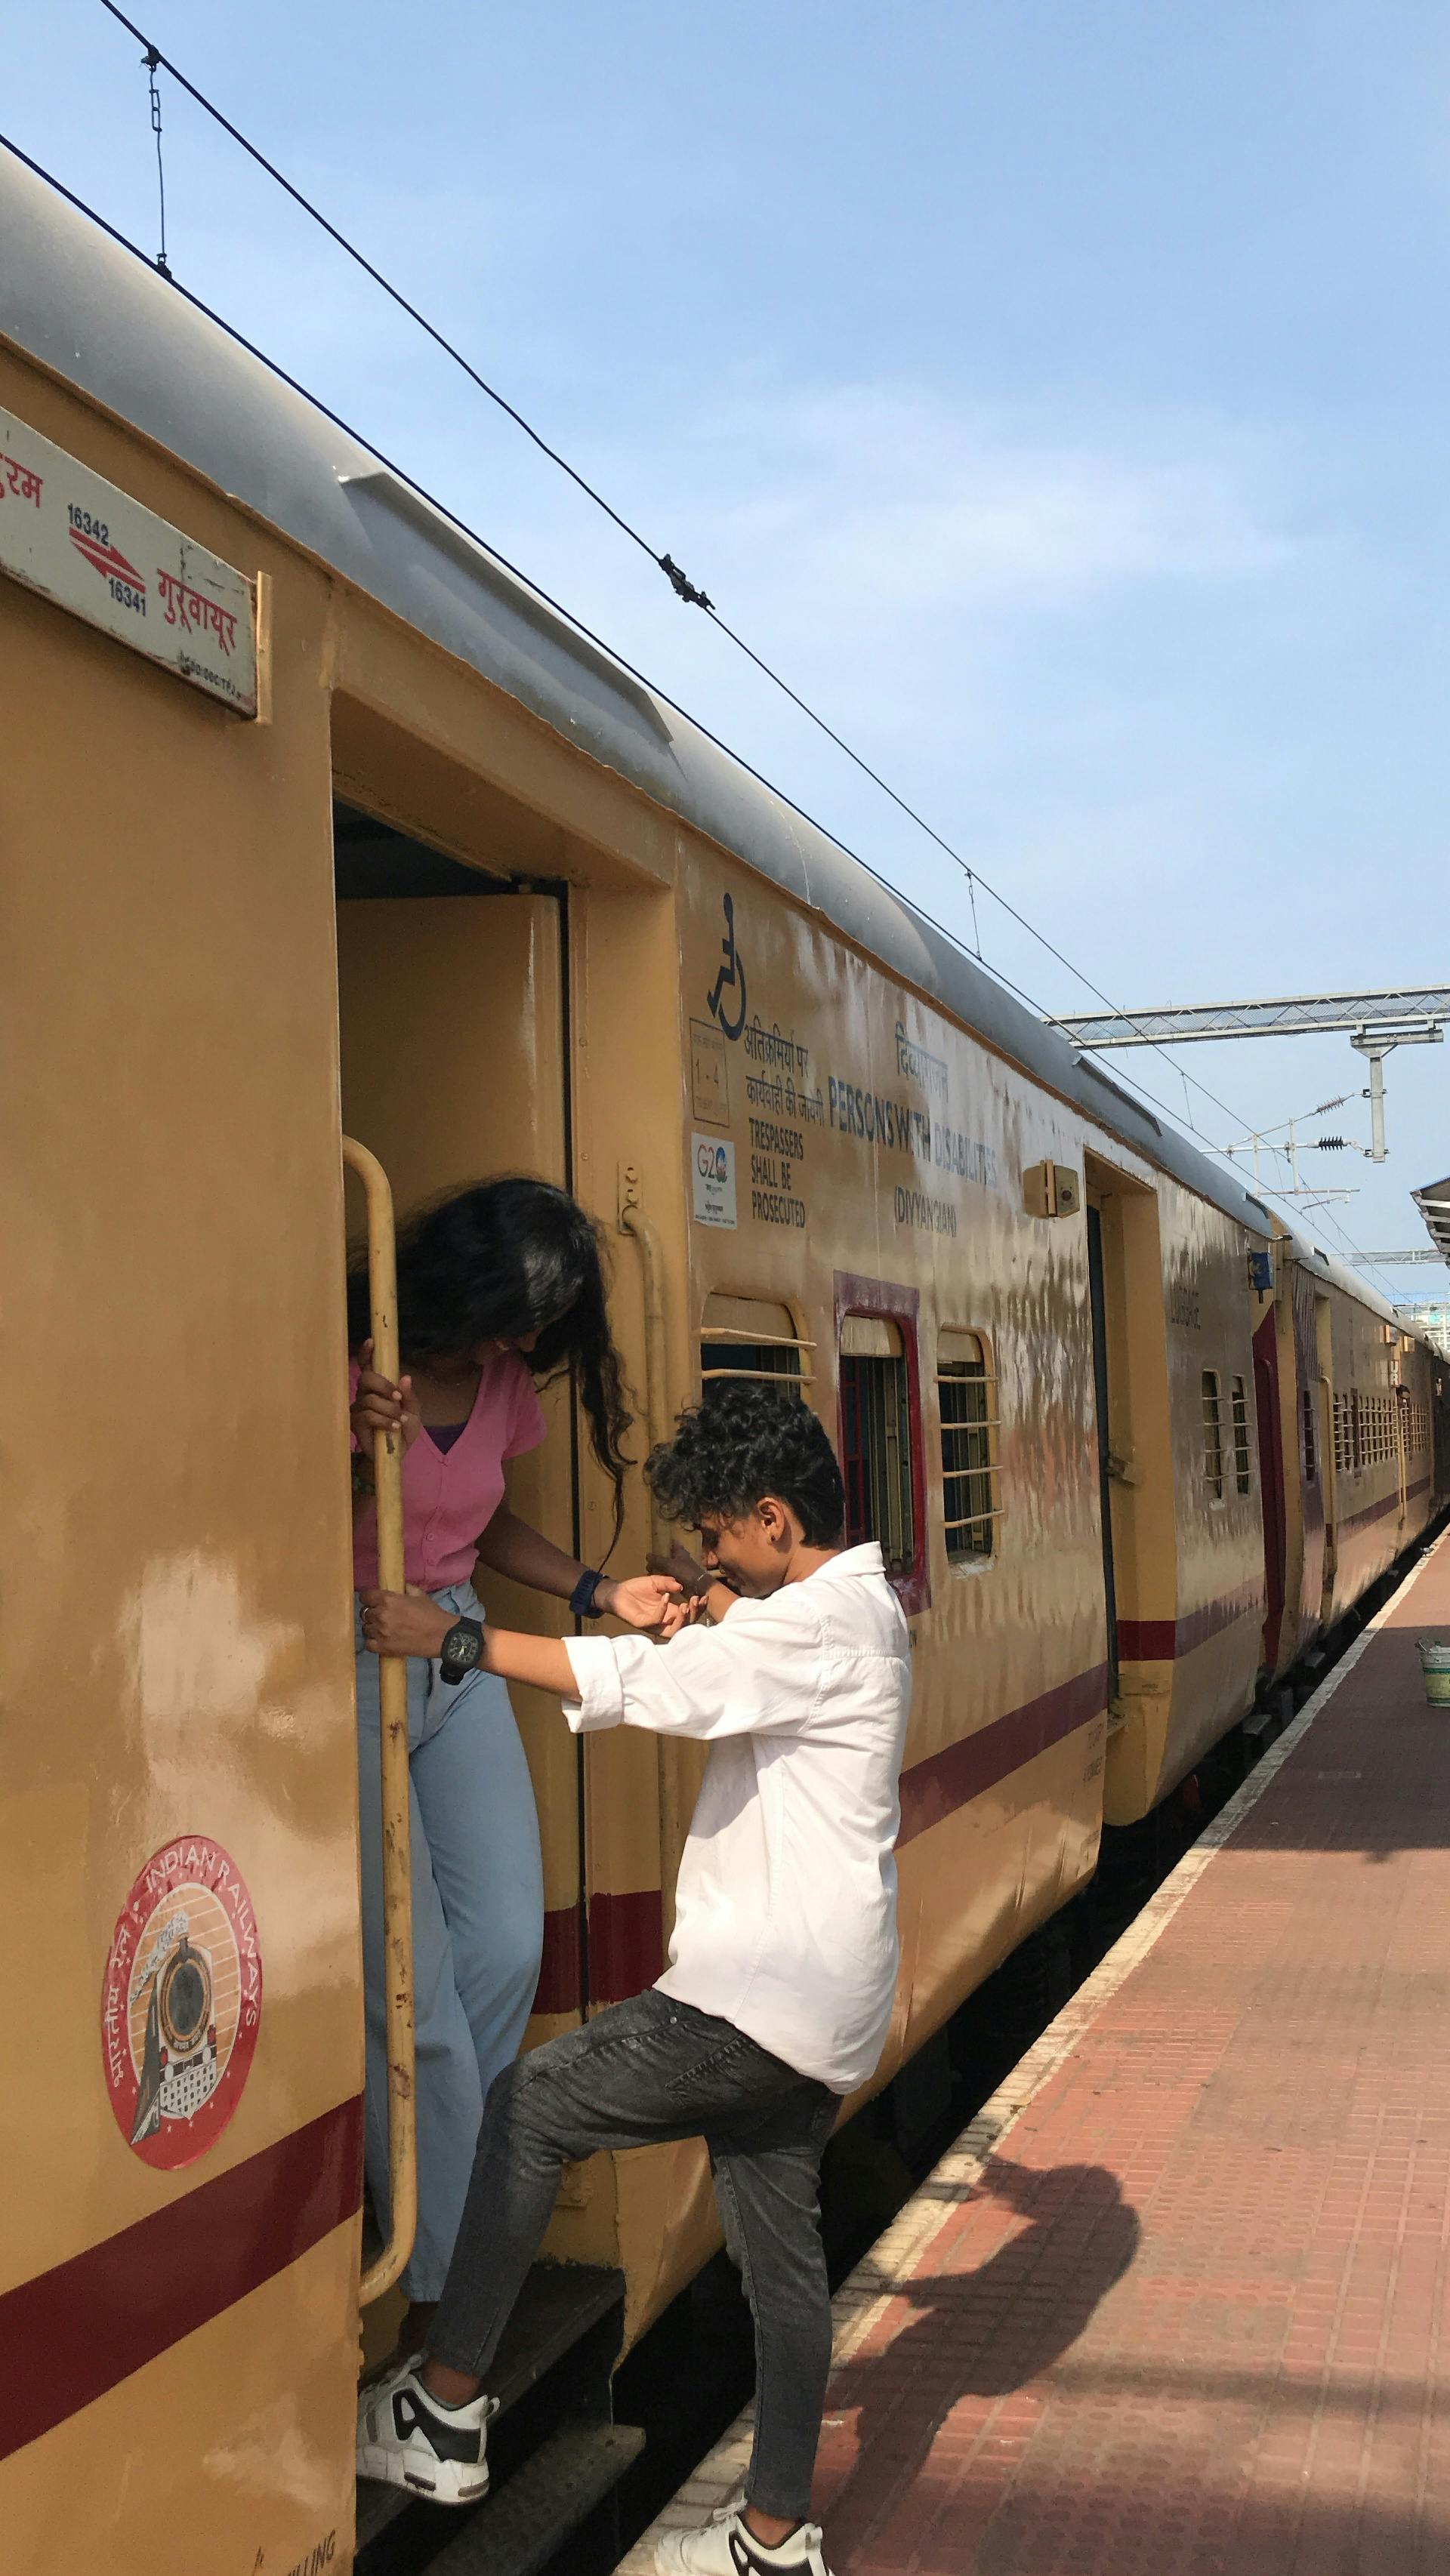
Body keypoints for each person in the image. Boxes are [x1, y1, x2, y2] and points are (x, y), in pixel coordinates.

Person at [355, 1382, 912, 2576]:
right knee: (784, 2274)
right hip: (828, 2005)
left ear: (772, 1518)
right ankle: (770, 2542)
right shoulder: (858, 1602)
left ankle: (443, 2413)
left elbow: (641, 1688)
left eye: (718, 1537)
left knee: (528, 2108)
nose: (709, 1558)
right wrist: (716, 1602)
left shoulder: (804, 1628)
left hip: (747, 2003)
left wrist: (444, 1636)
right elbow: (747, 1651)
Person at [348, 1176, 668, 2354]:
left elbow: (482, 1526)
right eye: (524, 1312)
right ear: (468, 1281)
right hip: (350, 1656)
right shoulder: (347, 1355)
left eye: (550, 1321)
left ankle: (430, 2181)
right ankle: (440, 2293)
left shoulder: (497, 1381)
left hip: (453, 1642)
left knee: (504, 1948)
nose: (531, 1342)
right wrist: (335, 1441)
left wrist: (596, 1591)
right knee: (416, 1995)